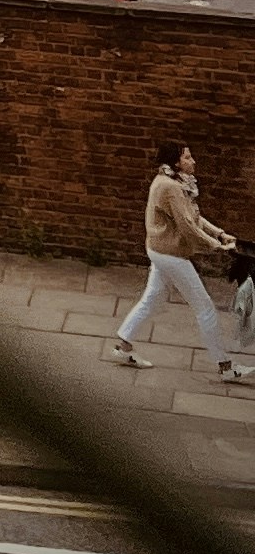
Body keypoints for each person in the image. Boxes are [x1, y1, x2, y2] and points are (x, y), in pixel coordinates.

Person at [114, 142, 244, 380]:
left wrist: (220, 233)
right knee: (205, 308)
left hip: (159, 249)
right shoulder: (171, 187)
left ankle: (122, 346)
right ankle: (226, 367)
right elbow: (187, 226)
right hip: (169, 254)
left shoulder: (170, 182)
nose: (193, 161)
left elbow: (193, 215)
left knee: (152, 298)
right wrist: (218, 247)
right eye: (188, 157)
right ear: (176, 162)